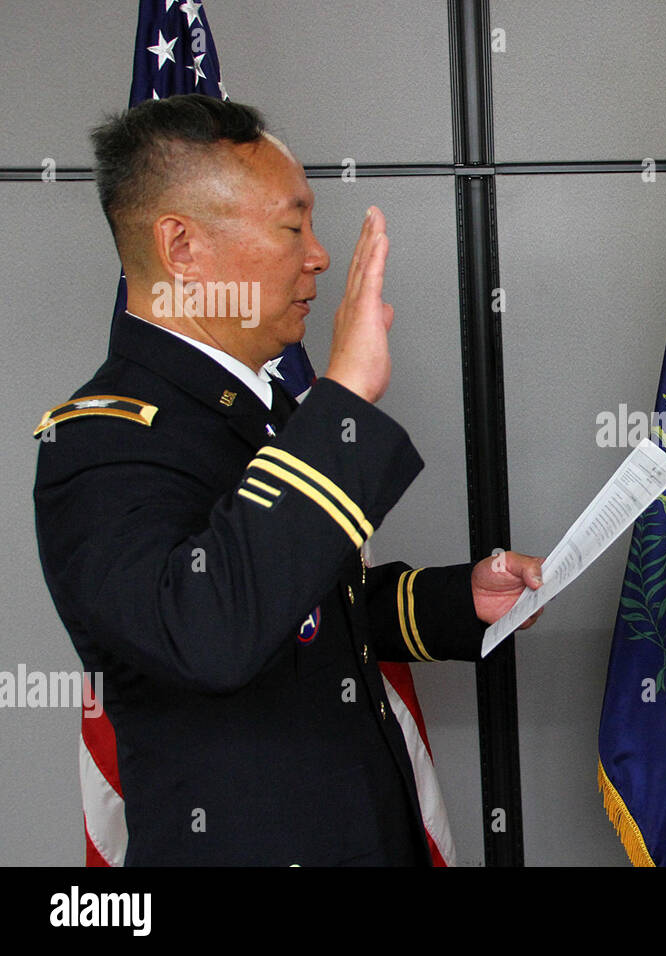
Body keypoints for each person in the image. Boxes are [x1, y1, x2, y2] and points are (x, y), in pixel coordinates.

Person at [33, 94, 543, 866]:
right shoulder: (103, 438)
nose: (318, 255)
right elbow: (206, 635)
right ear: (182, 246)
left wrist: (452, 603)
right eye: (291, 225)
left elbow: (312, 611)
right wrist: (342, 400)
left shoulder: (253, 405)